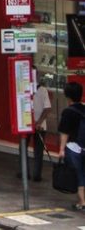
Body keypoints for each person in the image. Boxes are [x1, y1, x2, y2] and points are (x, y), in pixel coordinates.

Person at [59, 80, 85, 210]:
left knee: (79, 174)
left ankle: (82, 202)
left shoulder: (68, 112)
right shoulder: (84, 109)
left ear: (68, 97)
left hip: (73, 148)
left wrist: (62, 149)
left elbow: (64, 132)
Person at [22, 78, 52, 182]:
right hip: (39, 125)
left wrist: (38, 122)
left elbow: (48, 108)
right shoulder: (42, 90)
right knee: (38, 151)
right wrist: (39, 122)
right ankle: (36, 175)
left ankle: (25, 172)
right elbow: (47, 108)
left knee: (23, 148)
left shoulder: (41, 90)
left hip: (29, 124)